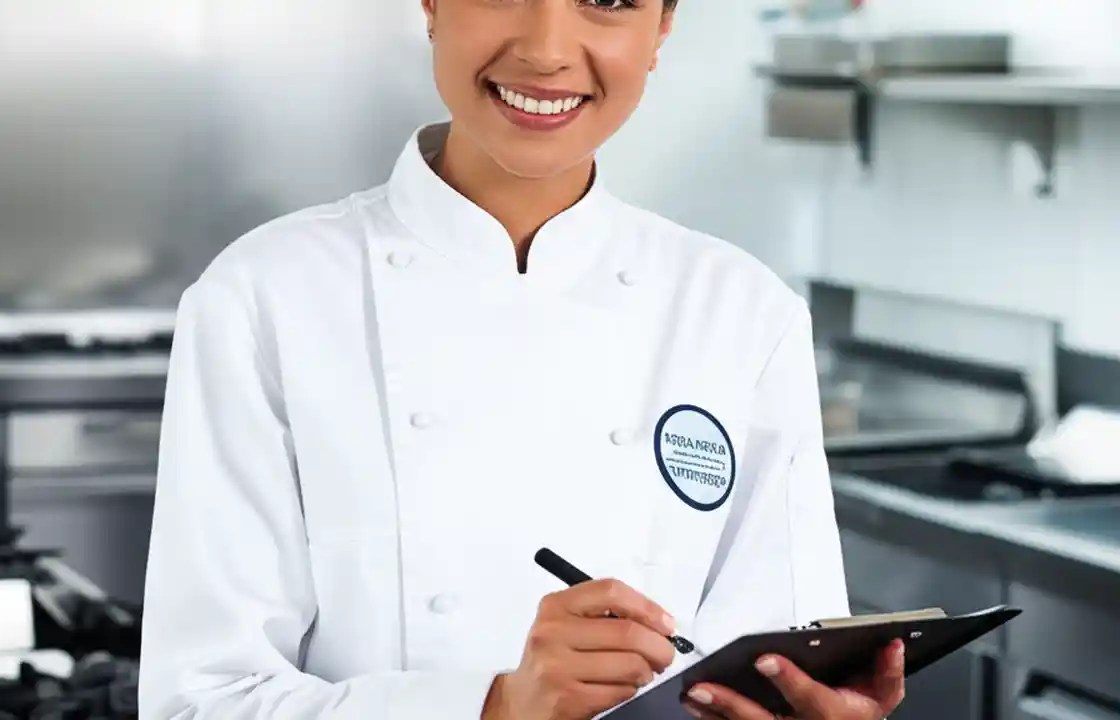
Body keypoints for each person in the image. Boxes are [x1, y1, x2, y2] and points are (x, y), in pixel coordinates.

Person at [138, 1, 907, 719]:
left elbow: (772, 664)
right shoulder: (266, 295)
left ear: (664, 26)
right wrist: (495, 705)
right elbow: (202, 701)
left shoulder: (743, 312)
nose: (545, 51)